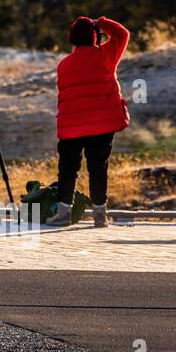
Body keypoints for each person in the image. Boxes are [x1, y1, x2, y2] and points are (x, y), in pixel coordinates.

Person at [45, 16, 130, 228]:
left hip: (72, 125)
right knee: (98, 167)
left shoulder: (64, 65)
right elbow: (122, 34)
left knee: (67, 168)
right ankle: (100, 215)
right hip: (102, 124)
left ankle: (63, 212)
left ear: (72, 38)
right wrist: (101, 22)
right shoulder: (105, 55)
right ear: (95, 36)